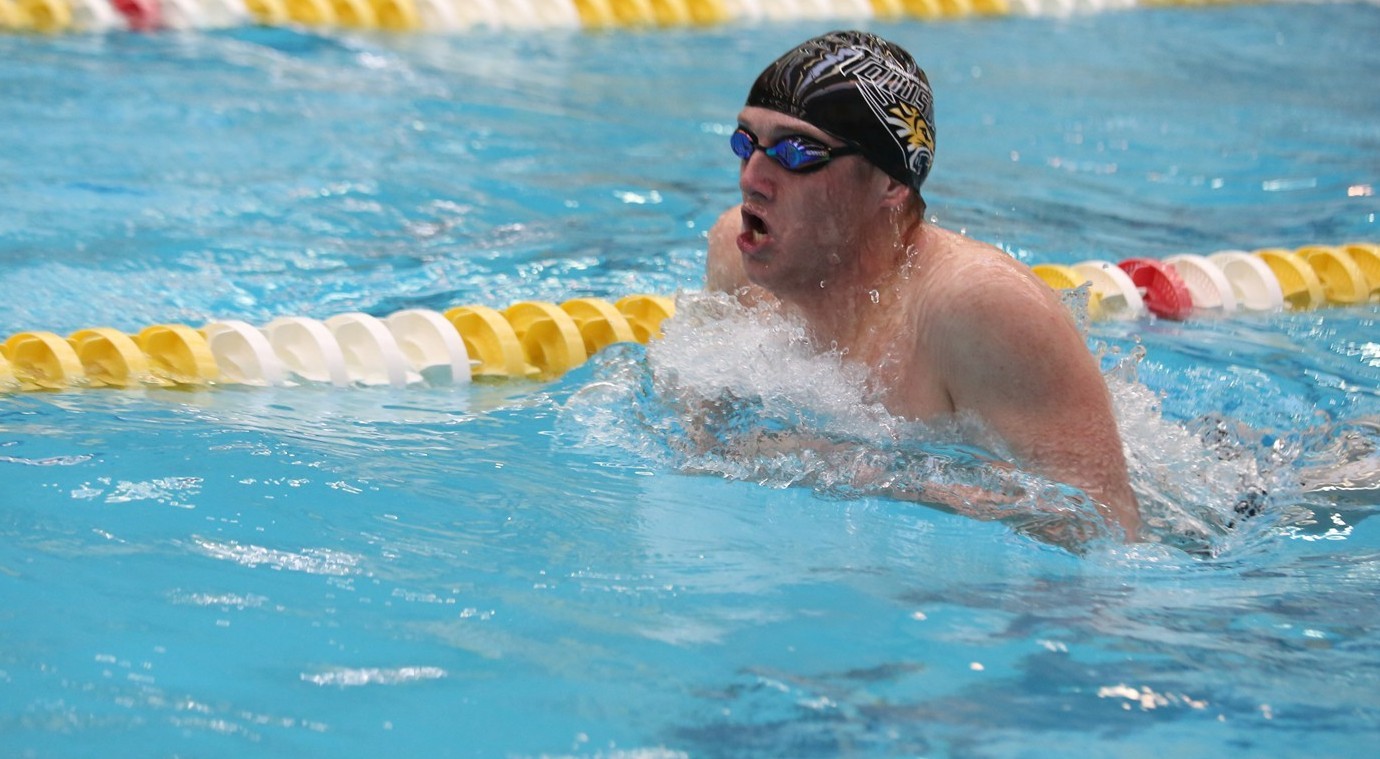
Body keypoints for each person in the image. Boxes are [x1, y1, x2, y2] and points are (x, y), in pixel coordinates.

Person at [705, 30, 1142, 540]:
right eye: (745, 142)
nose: (751, 178)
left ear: (891, 182)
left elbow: (1103, 524)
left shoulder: (975, 306)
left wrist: (858, 473)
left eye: (797, 152)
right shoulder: (736, 256)